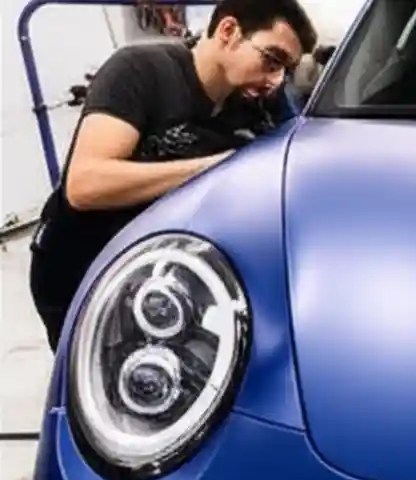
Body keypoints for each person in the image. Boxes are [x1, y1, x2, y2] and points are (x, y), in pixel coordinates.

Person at [28, 0, 317, 350]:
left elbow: (298, 154)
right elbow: (85, 185)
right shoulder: (140, 72)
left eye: (285, 69)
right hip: (85, 270)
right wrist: (216, 168)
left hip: (169, 275)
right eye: (270, 60)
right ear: (228, 32)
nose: (275, 80)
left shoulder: (258, 98)